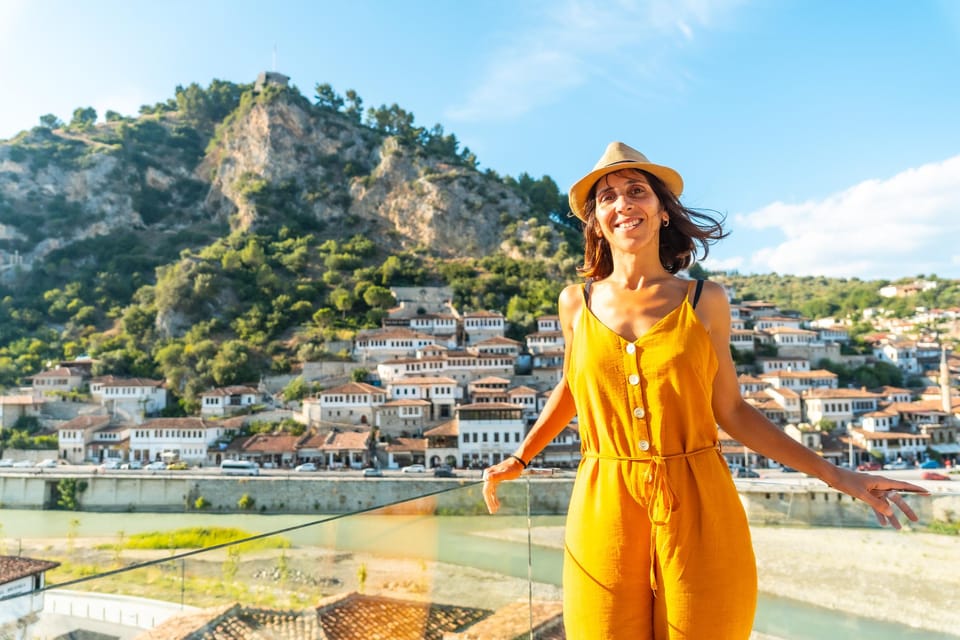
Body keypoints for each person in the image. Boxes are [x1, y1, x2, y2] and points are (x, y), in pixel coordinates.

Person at [481, 141, 929, 639]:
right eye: (607, 197)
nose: (623, 204)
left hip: (700, 497)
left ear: (662, 211)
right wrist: (519, 458)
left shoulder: (704, 300)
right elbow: (572, 386)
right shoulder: (574, 302)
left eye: (637, 192)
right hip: (603, 500)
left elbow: (733, 411)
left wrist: (835, 474)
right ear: (596, 221)